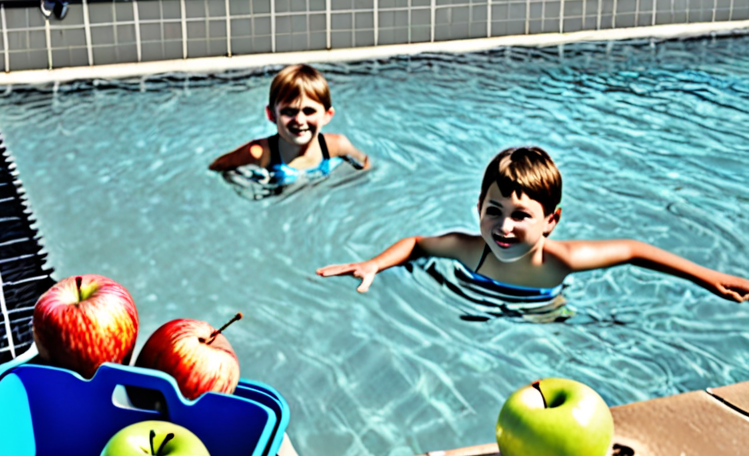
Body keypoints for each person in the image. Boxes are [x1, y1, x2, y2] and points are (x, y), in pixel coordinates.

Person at [317, 146, 749, 303]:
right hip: (477, 292)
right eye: (494, 211)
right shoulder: (471, 249)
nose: (504, 227)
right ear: (478, 207)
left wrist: (709, 277)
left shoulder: (560, 262)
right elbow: (416, 244)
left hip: (543, 304)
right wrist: (376, 263)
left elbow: (635, 250)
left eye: (521, 215)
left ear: (551, 221)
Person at [209, 64, 370, 184]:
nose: (300, 121)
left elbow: (365, 165)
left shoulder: (336, 146)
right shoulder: (260, 153)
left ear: (327, 115)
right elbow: (217, 166)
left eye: (309, 111)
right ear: (271, 115)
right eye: (289, 112)